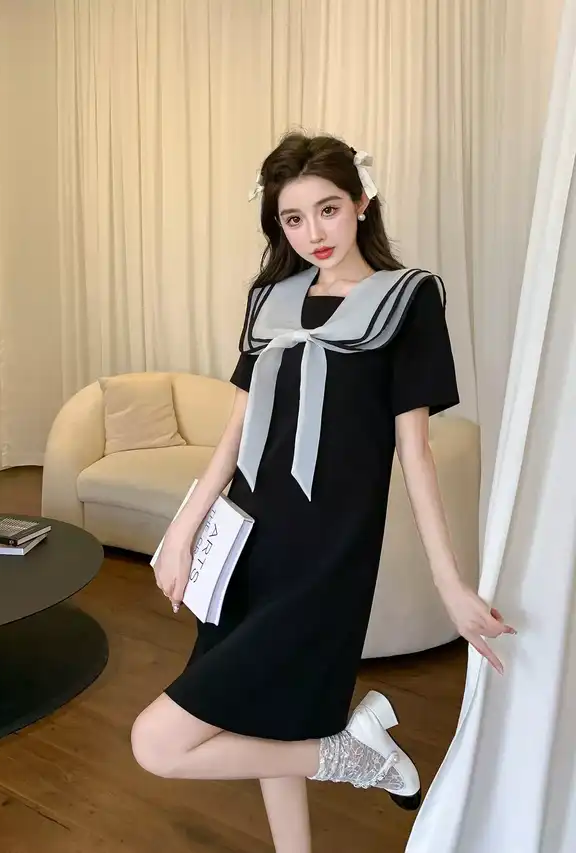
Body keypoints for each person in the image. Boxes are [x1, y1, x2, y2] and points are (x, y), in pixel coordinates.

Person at [130, 131, 515, 852]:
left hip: (327, 555)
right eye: (294, 218)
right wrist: (182, 531)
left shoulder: (407, 299)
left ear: (362, 202)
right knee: (266, 719)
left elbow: (416, 452)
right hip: (249, 544)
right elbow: (236, 433)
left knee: (156, 743)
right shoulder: (269, 301)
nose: (314, 233)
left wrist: (452, 586)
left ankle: (350, 755)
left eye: (329, 209)